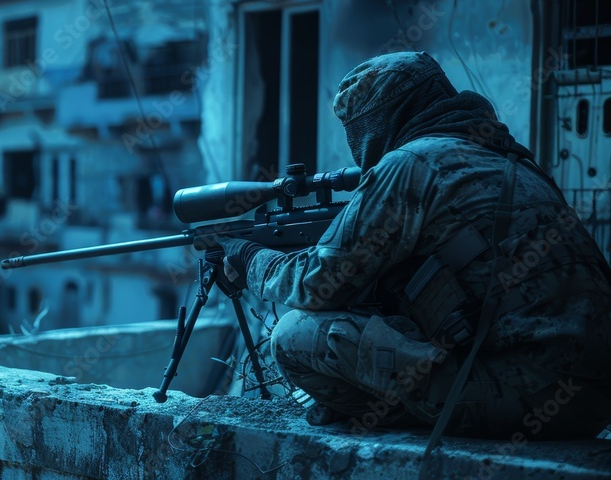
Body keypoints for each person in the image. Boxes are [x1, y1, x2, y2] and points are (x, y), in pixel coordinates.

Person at [217, 51, 611, 440]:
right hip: (593, 400)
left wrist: (249, 257)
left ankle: (396, 418)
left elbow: (318, 284)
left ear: (379, 122)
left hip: (526, 392)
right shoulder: (515, 161)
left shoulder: (412, 162)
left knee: (293, 334)